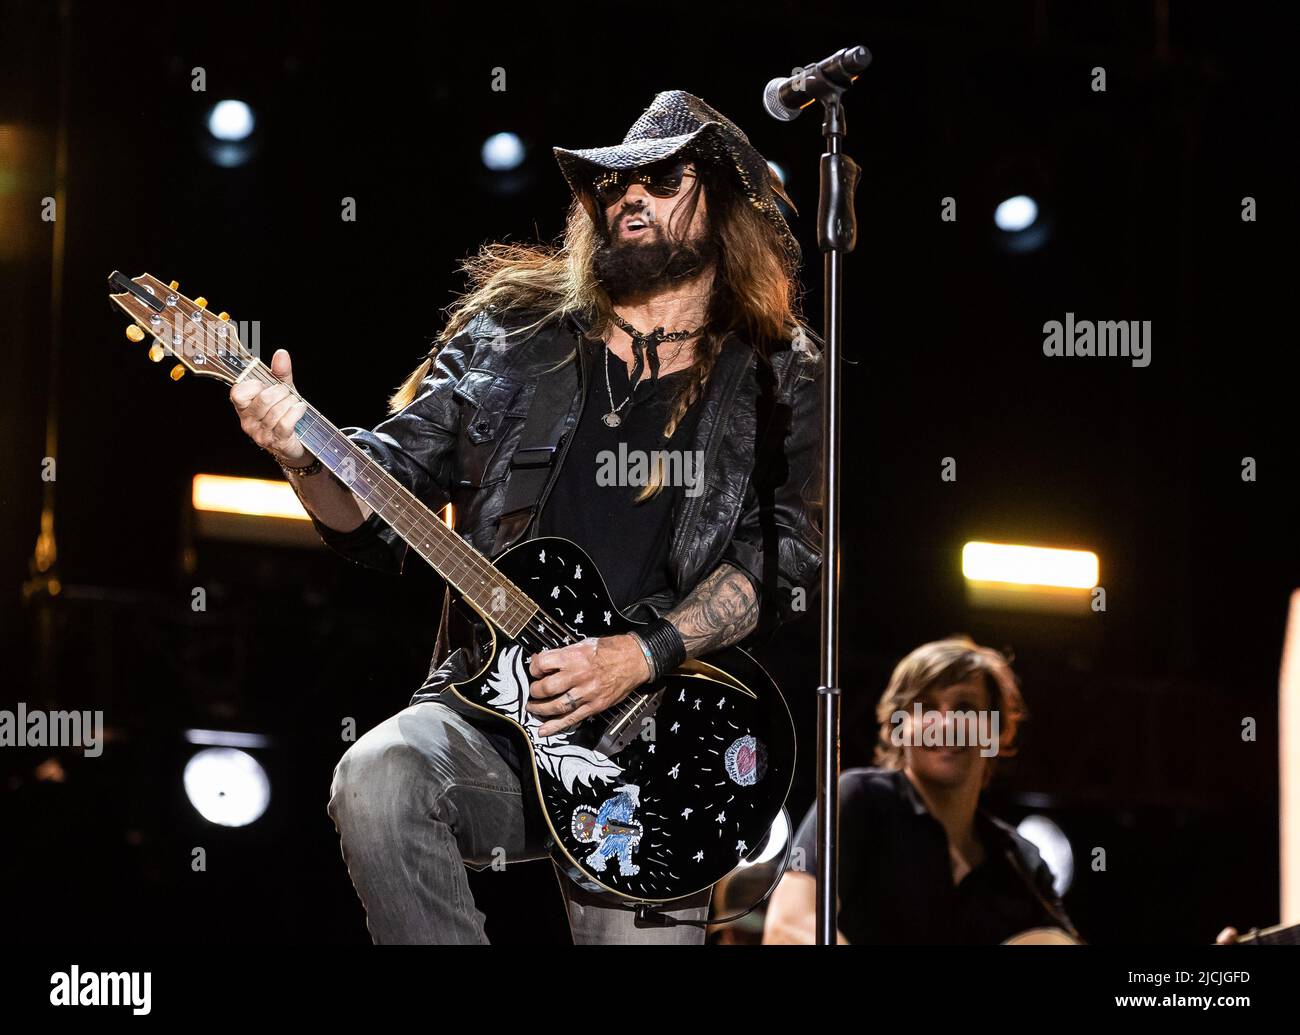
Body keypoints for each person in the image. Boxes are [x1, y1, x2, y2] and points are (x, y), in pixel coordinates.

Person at [228, 90, 823, 944]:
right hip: (496, 709)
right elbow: (382, 497)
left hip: (659, 734)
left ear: (724, 201)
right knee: (379, 774)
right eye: (611, 183)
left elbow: (785, 550)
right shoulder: (515, 330)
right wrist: (298, 451)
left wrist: (640, 653)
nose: (629, 196)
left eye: (661, 177)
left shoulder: (780, 372)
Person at [764, 637, 1077, 944]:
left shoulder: (1020, 859)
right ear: (899, 727)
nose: (944, 724)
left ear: (994, 730)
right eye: (925, 707)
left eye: (964, 707)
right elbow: (788, 929)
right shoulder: (861, 799)